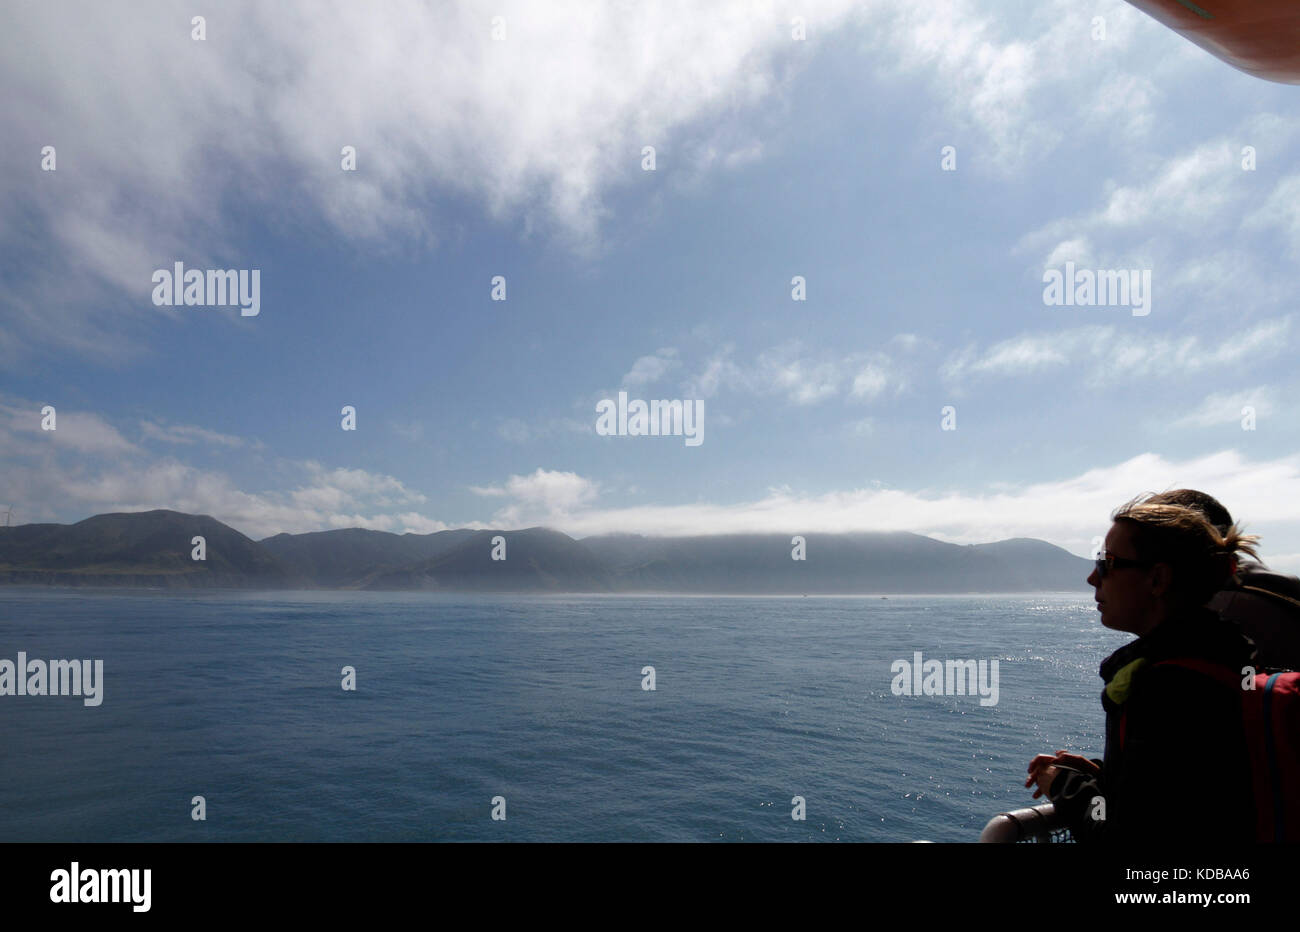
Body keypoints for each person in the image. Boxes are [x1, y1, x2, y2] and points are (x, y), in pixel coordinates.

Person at [1025, 495, 1260, 843]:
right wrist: (1106, 776)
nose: (1092, 578)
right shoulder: (1230, 656)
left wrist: (1062, 784)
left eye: (1106, 564)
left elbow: (1121, 834)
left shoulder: (1171, 689)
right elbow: (1188, 796)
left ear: (1157, 579)